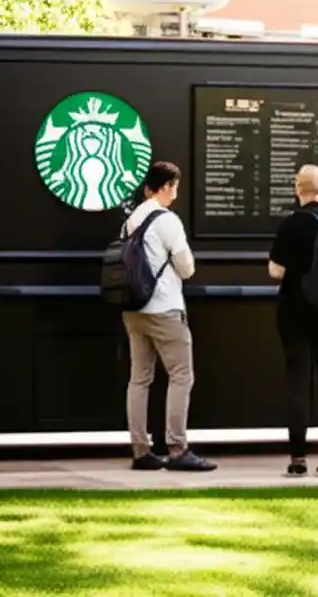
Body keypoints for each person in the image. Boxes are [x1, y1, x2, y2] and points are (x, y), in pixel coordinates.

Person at [122, 161, 215, 471]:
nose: (175, 194)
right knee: (181, 375)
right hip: (164, 308)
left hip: (133, 308)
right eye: (174, 187)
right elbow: (186, 268)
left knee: (139, 379)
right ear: (166, 187)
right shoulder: (167, 220)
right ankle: (177, 447)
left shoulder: (131, 220)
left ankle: (140, 450)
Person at [268, 165, 318, 477]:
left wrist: (295, 274)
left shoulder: (293, 224)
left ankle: (298, 457)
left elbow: (275, 270)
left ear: (297, 188)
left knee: (298, 384)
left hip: (295, 313)